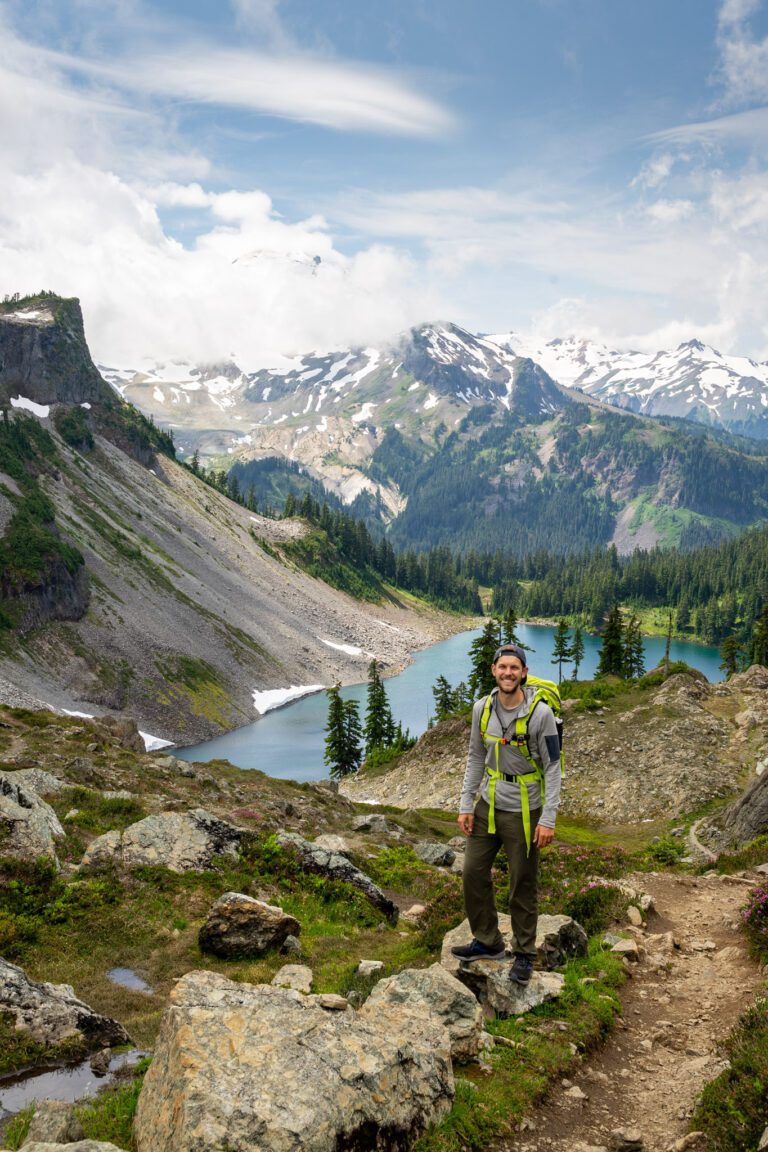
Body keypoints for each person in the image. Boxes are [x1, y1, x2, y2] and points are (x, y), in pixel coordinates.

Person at [451, 642, 561, 984]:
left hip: (525, 809)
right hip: (488, 804)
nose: (508, 673)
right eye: (503, 667)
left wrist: (548, 818)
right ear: (494, 671)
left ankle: (525, 953)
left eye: (515, 668)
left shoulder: (541, 715)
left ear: (524, 673)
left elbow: (554, 768)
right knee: (472, 872)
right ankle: (488, 940)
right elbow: (475, 756)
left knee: (522, 883)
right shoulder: (482, 709)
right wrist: (466, 804)